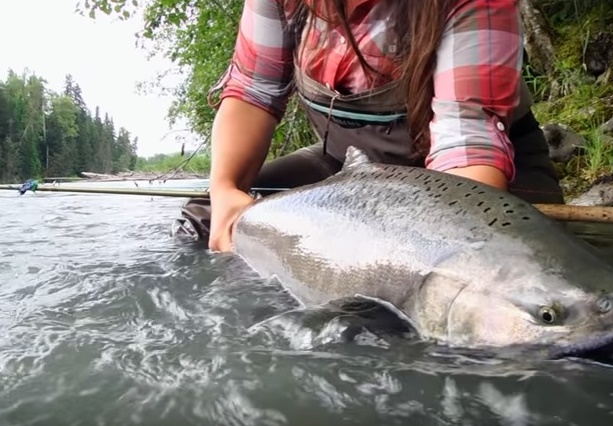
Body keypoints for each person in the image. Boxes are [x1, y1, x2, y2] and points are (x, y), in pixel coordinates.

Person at [175, 0, 565, 252]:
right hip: (349, 169)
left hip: (474, 181)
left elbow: (465, 143)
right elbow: (253, 92)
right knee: (204, 219)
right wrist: (227, 190)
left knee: (517, 279)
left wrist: (425, 249)